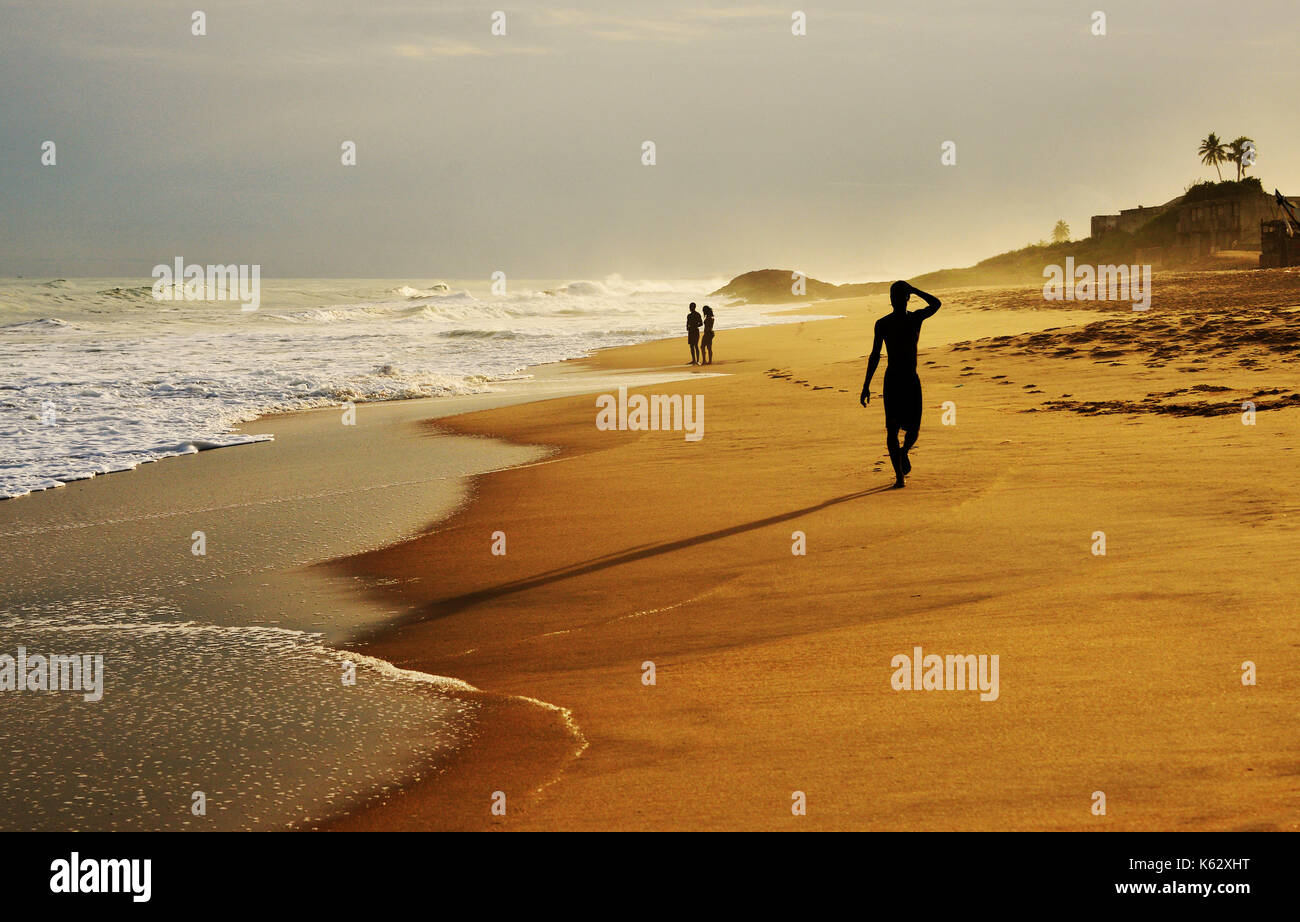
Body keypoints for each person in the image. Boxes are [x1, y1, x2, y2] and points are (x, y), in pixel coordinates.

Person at [860, 281, 941, 488]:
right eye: (894, 297)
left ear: (904, 299)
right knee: (892, 430)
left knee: (914, 430)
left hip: (910, 380)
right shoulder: (883, 324)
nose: (896, 300)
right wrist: (866, 385)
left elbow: (937, 304)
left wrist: (913, 290)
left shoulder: (915, 319)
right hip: (894, 380)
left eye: (899, 296)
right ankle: (899, 477)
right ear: (891, 300)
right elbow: (875, 355)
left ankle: (903, 452)